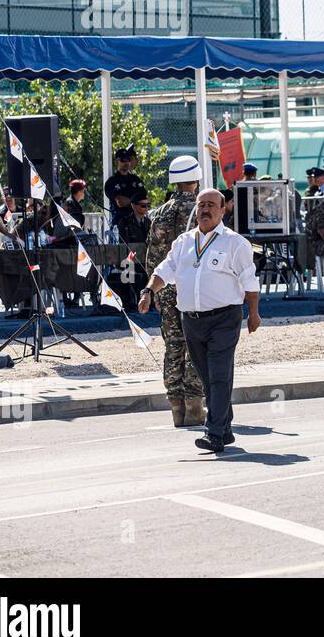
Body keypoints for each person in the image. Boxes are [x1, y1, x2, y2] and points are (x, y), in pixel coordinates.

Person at [139, 188, 260, 454]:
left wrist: (253, 313)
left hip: (224, 318)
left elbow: (249, 281)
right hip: (191, 320)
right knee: (207, 379)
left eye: (211, 205)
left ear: (223, 209)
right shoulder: (183, 242)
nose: (205, 209)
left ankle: (214, 434)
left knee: (218, 375)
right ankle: (225, 427)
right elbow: (165, 270)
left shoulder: (235, 243)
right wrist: (149, 291)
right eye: (201, 204)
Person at [144, 155, 206, 428]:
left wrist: (154, 291)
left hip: (166, 290)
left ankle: (177, 409)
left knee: (173, 347)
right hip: (194, 292)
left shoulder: (159, 212)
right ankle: (195, 408)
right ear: (196, 179)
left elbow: (152, 257)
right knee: (196, 348)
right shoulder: (203, 210)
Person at [104, 145, 144, 229]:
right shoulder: (112, 181)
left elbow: (144, 200)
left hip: (136, 223)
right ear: (117, 162)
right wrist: (136, 202)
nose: (126, 163)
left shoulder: (136, 180)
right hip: (120, 224)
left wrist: (130, 201)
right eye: (123, 160)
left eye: (128, 160)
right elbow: (120, 202)